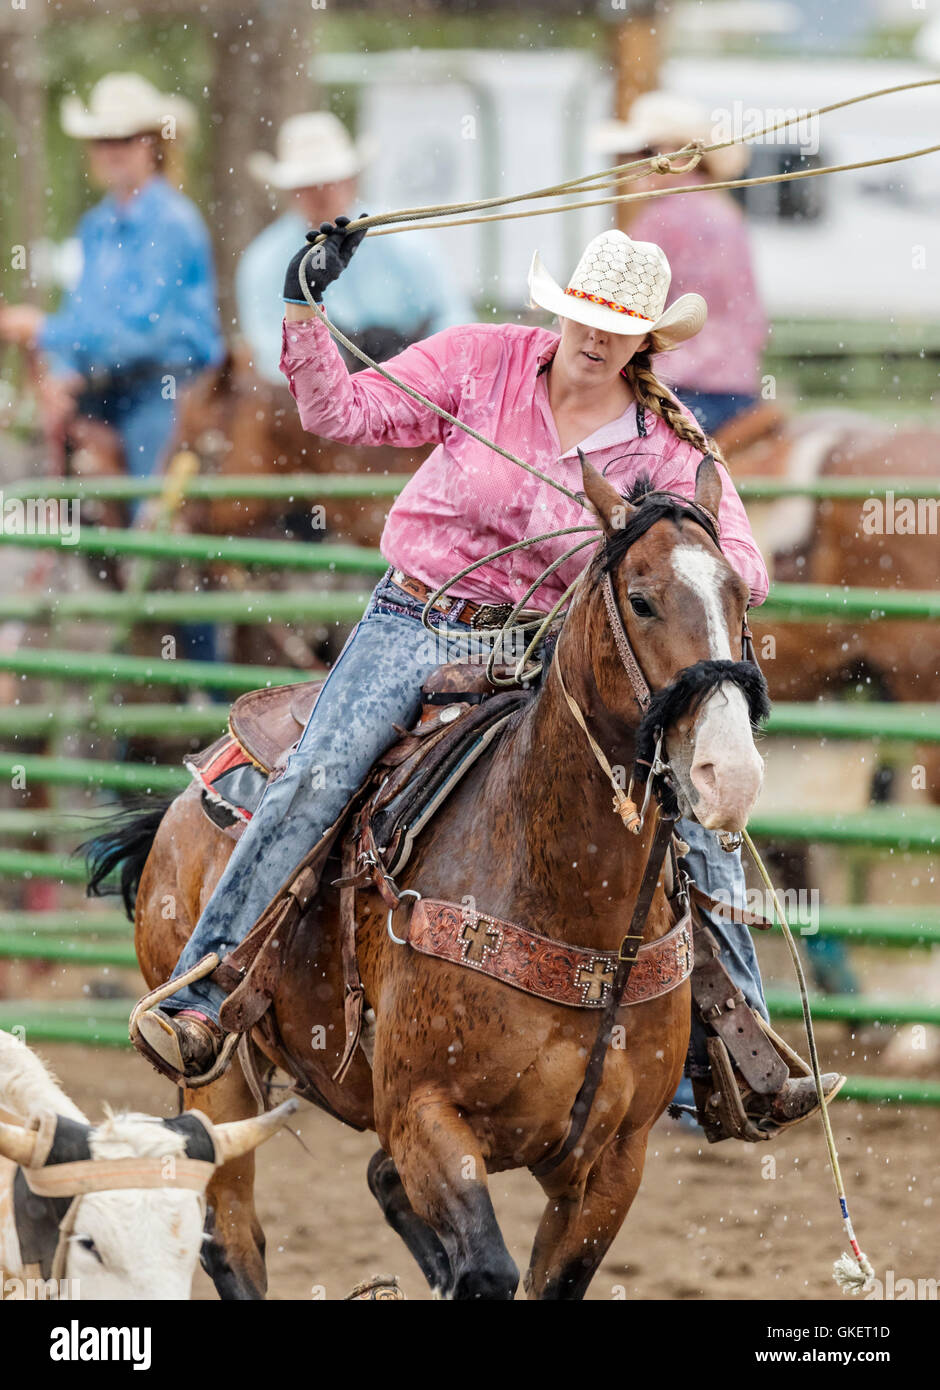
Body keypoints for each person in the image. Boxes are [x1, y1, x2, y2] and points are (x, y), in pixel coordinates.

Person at [137, 224, 842, 1138]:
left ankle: (733, 1053)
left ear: (645, 341)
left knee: (681, 813)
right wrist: (305, 311)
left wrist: (690, 562)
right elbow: (339, 413)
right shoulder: (482, 363)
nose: (595, 333)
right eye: (585, 312)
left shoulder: (668, 444)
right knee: (319, 773)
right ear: (564, 311)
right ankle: (207, 983)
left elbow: (736, 554)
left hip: (546, 646)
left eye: (619, 322)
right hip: (417, 619)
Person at [0, 72, 224, 488]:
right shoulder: (94, 226)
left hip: (166, 386)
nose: (112, 151)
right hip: (106, 389)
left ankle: (152, 542)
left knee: (149, 504)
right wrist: (63, 371)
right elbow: (83, 310)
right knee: (30, 465)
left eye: (125, 139)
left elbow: (146, 335)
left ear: (152, 144)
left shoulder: (174, 223)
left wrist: (45, 330)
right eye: (103, 141)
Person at [236, 112, 473, 382]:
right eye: (308, 185)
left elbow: (452, 317)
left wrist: (418, 370)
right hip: (320, 404)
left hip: (417, 385)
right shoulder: (266, 261)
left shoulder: (406, 243)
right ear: (291, 192)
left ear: (350, 180)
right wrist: (336, 378)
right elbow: (270, 350)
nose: (320, 193)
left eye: (329, 181)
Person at [591, 91, 768, 437]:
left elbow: (613, 305)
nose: (633, 163)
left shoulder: (659, 221)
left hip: (679, 389)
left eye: (645, 152)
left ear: (674, 154)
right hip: (737, 390)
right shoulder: (727, 213)